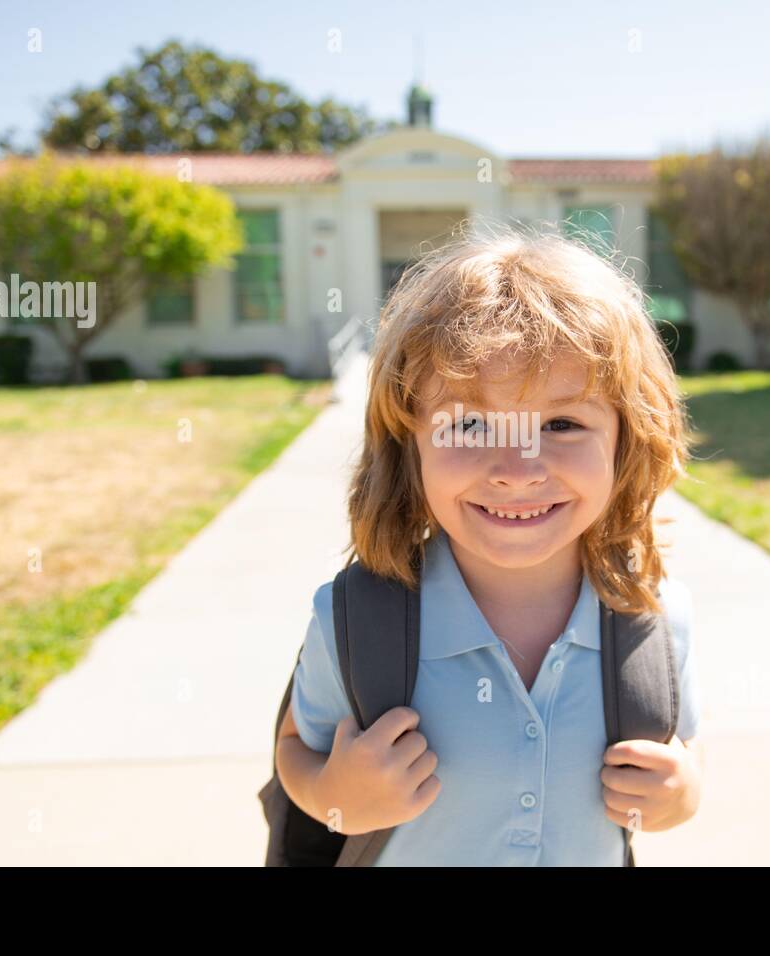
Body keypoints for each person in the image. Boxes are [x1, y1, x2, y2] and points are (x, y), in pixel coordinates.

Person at [274, 221, 704, 865]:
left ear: (627, 440)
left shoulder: (651, 620)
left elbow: (684, 754)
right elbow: (294, 749)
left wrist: (682, 795)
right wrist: (335, 796)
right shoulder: (359, 620)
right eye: (470, 423)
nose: (518, 468)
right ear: (408, 444)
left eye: (562, 423)